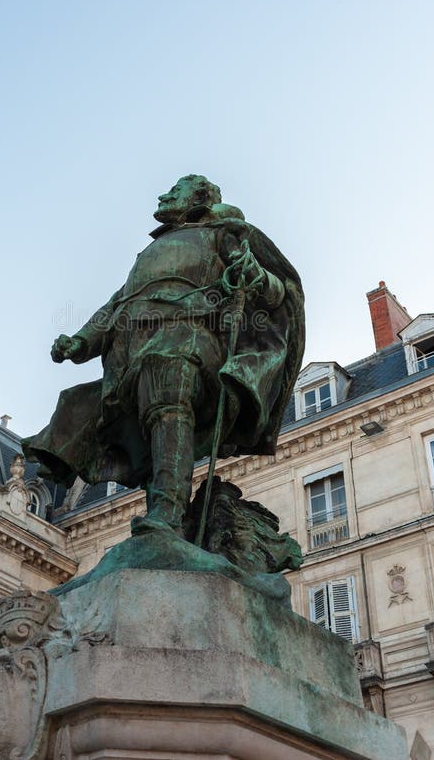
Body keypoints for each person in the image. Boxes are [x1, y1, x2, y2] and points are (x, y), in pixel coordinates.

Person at [22, 175, 304, 537]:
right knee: (82, 407)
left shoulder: (224, 233)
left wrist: (255, 275)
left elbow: (278, 291)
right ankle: (165, 507)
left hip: (191, 337)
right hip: (130, 351)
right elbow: (117, 304)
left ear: (199, 198)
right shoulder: (152, 251)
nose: (163, 195)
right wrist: (80, 342)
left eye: (175, 191)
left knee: (166, 378)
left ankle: (167, 512)